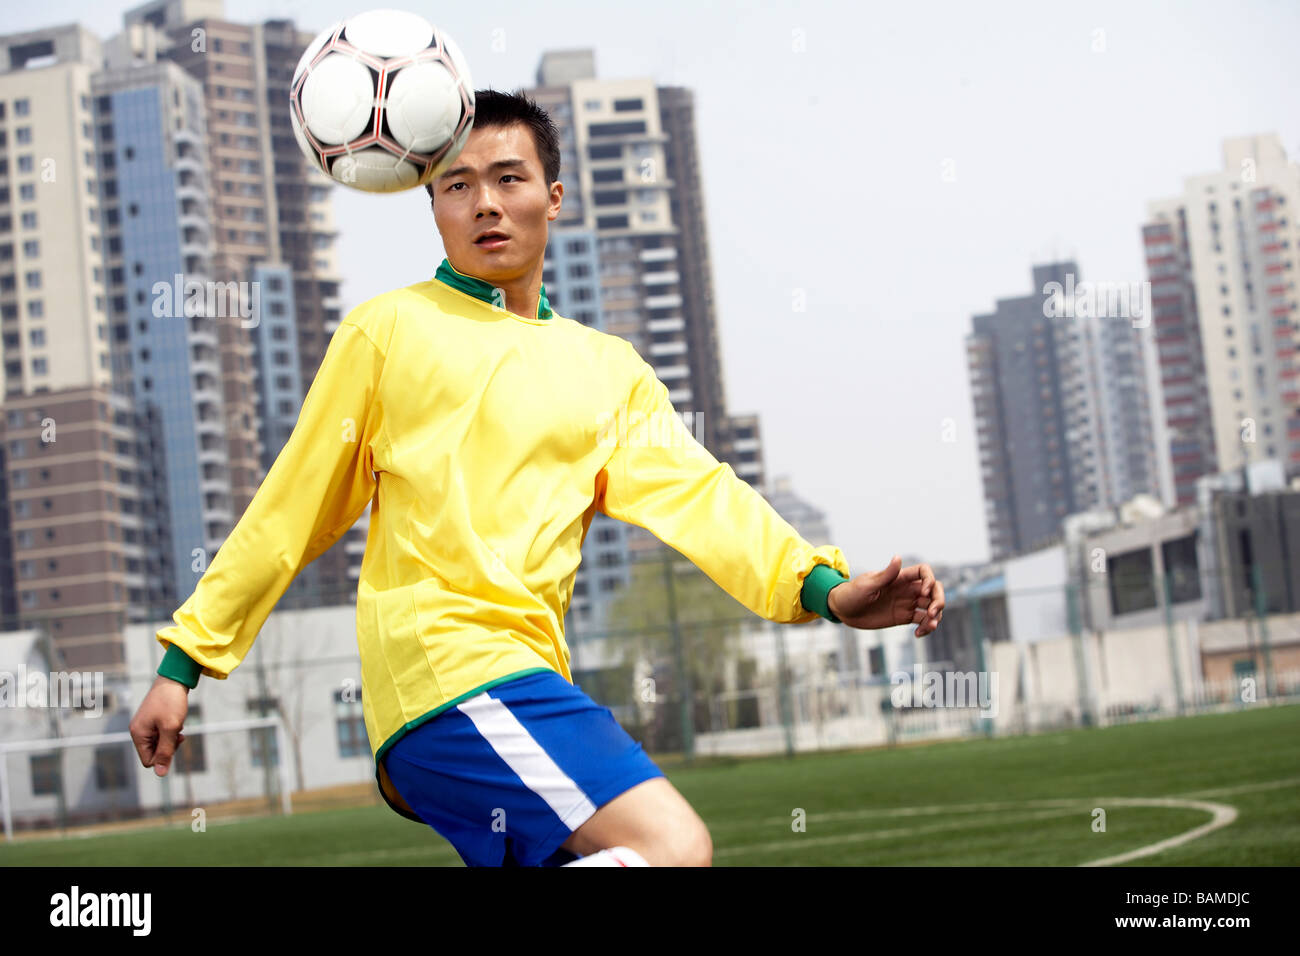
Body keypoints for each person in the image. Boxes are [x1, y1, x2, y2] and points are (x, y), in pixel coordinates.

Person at [129, 88, 945, 867]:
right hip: (450, 680)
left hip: (524, 683)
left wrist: (825, 589)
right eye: (457, 184)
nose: (484, 203)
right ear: (433, 207)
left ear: (552, 197)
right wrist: (183, 662)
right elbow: (288, 510)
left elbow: (703, 498)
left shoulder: (606, 370)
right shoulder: (388, 332)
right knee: (672, 847)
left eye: (508, 178)